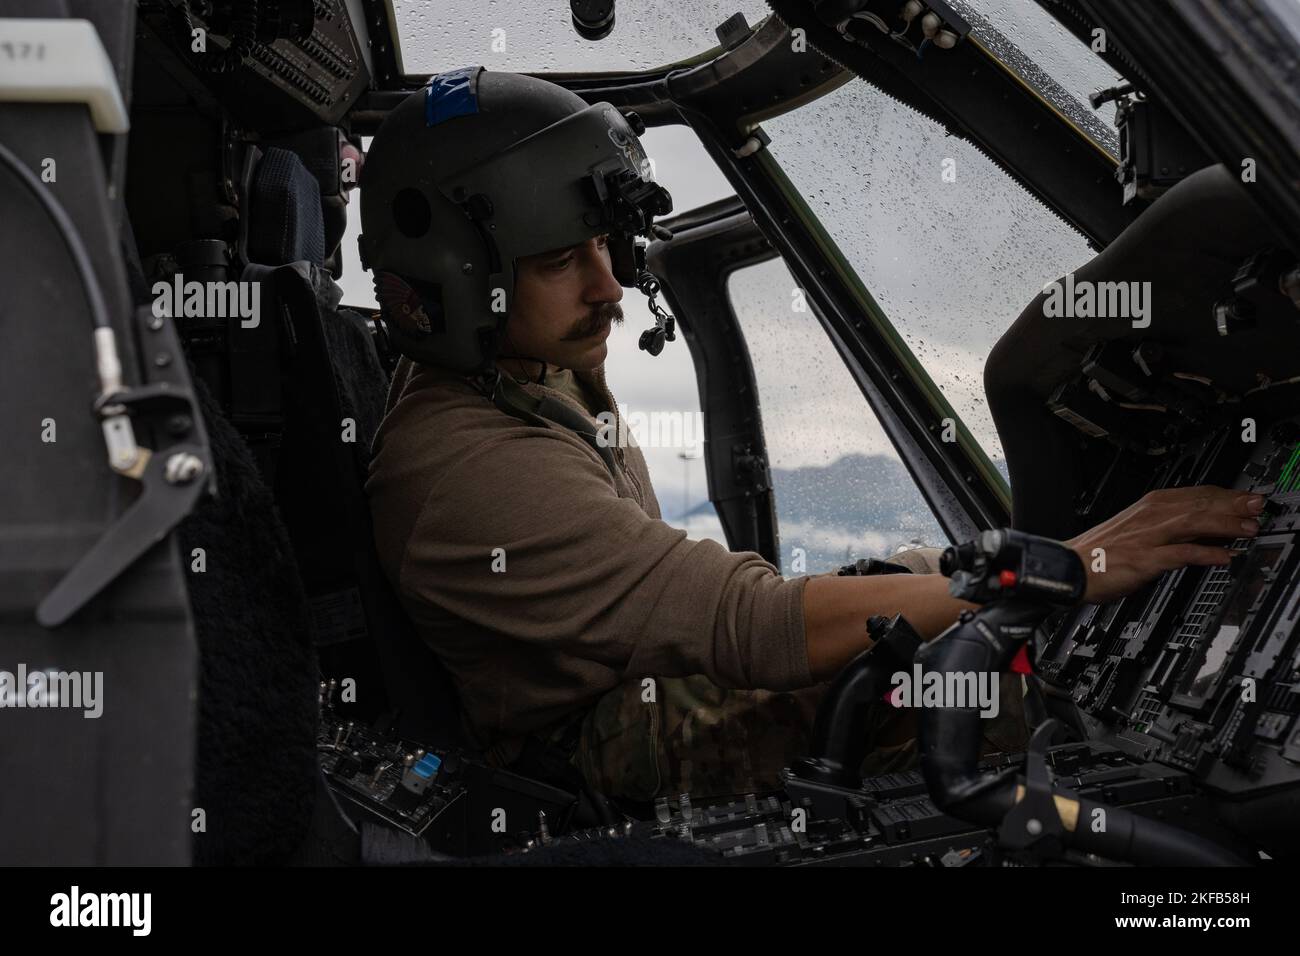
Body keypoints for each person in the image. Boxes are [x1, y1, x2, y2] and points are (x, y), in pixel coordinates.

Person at [362, 67, 1262, 802]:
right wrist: (1081, 564)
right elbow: (748, 624)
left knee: (916, 579)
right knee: (968, 679)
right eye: (561, 262)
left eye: (604, 245)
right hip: (581, 753)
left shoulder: (515, 365)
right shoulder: (469, 467)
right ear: (448, 284)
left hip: (623, 687)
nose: (607, 288)